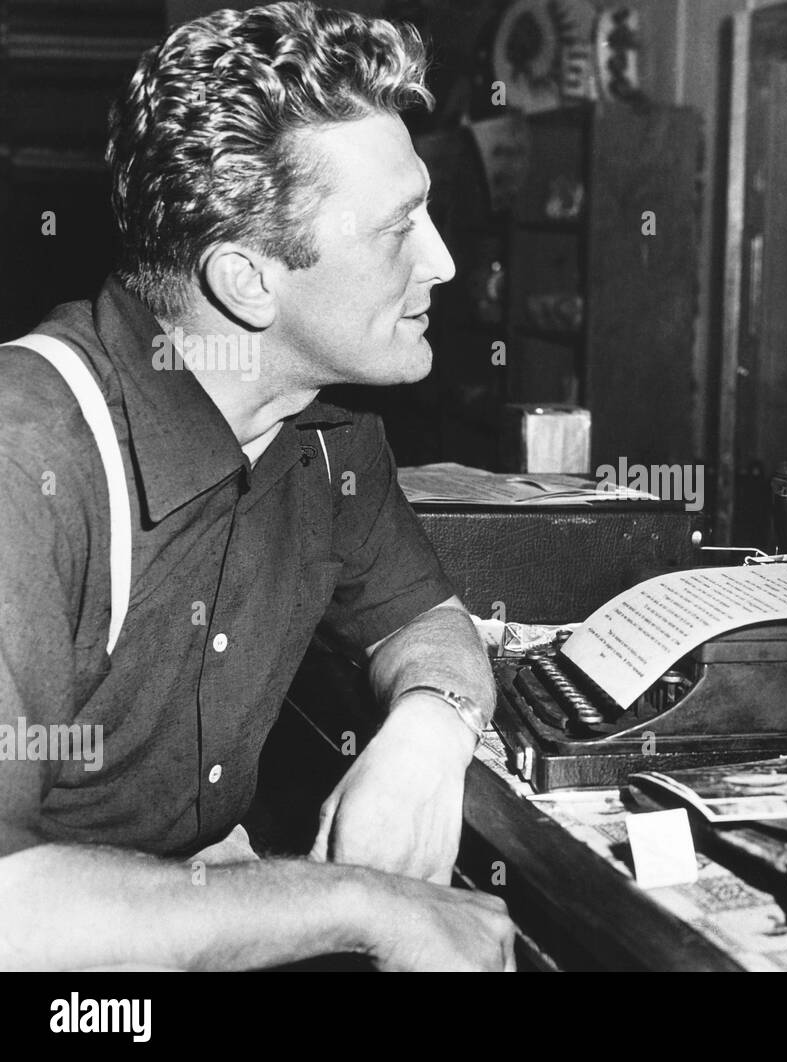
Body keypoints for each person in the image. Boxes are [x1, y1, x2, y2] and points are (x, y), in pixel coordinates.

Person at [0, 2, 515, 970]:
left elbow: (423, 617)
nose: (442, 262)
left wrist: (431, 726)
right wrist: (358, 904)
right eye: (397, 229)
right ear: (246, 282)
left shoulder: (326, 427)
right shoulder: (26, 456)